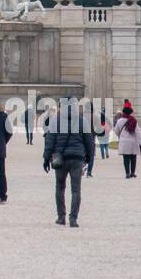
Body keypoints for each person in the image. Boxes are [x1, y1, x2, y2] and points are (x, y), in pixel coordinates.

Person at [43, 96, 95, 227]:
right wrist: (89, 157)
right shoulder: (83, 121)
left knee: (60, 187)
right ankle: (73, 218)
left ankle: (61, 217)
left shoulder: (55, 120)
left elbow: (49, 141)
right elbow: (89, 142)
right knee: (76, 189)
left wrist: (46, 158)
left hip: (60, 157)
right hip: (77, 157)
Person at [114, 103, 141, 178]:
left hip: (124, 142)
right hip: (133, 141)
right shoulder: (133, 120)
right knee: (133, 157)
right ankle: (133, 172)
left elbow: (116, 131)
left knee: (126, 158)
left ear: (123, 112)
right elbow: (138, 132)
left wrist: (120, 136)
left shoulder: (119, 121)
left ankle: (127, 173)